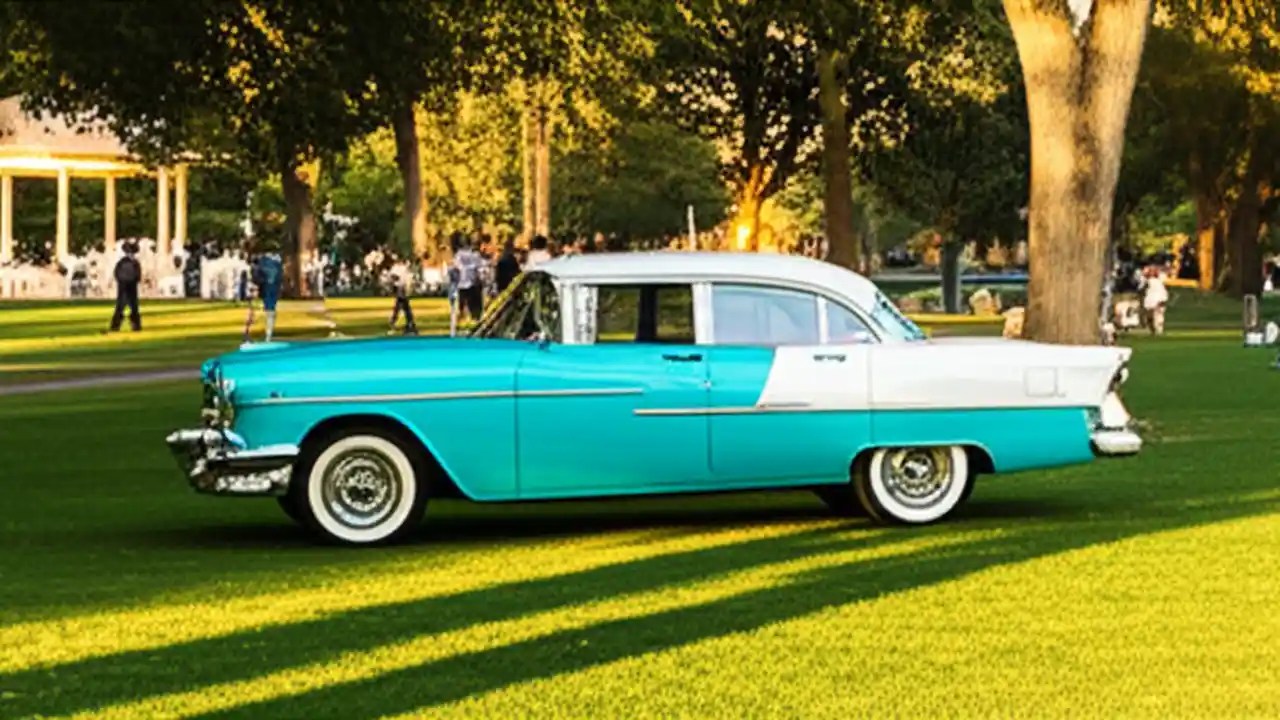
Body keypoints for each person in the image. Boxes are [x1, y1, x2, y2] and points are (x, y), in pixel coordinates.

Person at [252, 241, 284, 342]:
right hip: (273, 287)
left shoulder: (263, 261)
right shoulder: (277, 262)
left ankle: (268, 332)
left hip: (266, 287)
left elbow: (257, 274)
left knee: (269, 310)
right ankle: (269, 332)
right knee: (271, 310)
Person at [109, 241, 143, 332]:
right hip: (127, 286)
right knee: (129, 306)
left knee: (124, 306)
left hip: (126, 286)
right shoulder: (132, 263)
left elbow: (117, 274)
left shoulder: (123, 263)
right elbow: (138, 275)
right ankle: (134, 325)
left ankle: (117, 325)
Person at [454, 235, 486, 322]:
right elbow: (480, 268)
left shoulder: (459, 254)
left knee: (463, 301)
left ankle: (463, 315)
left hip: (463, 282)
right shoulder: (475, 254)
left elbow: (457, 266)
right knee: (474, 302)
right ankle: (474, 316)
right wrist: (481, 278)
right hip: (473, 282)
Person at [388, 262, 418, 335]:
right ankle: (409, 323)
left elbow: (407, 278)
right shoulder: (398, 267)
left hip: (402, 287)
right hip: (400, 287)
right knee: (403, 306)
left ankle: (397, 321)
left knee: (401, 306)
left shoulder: (403, 267)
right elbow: (393, 277)